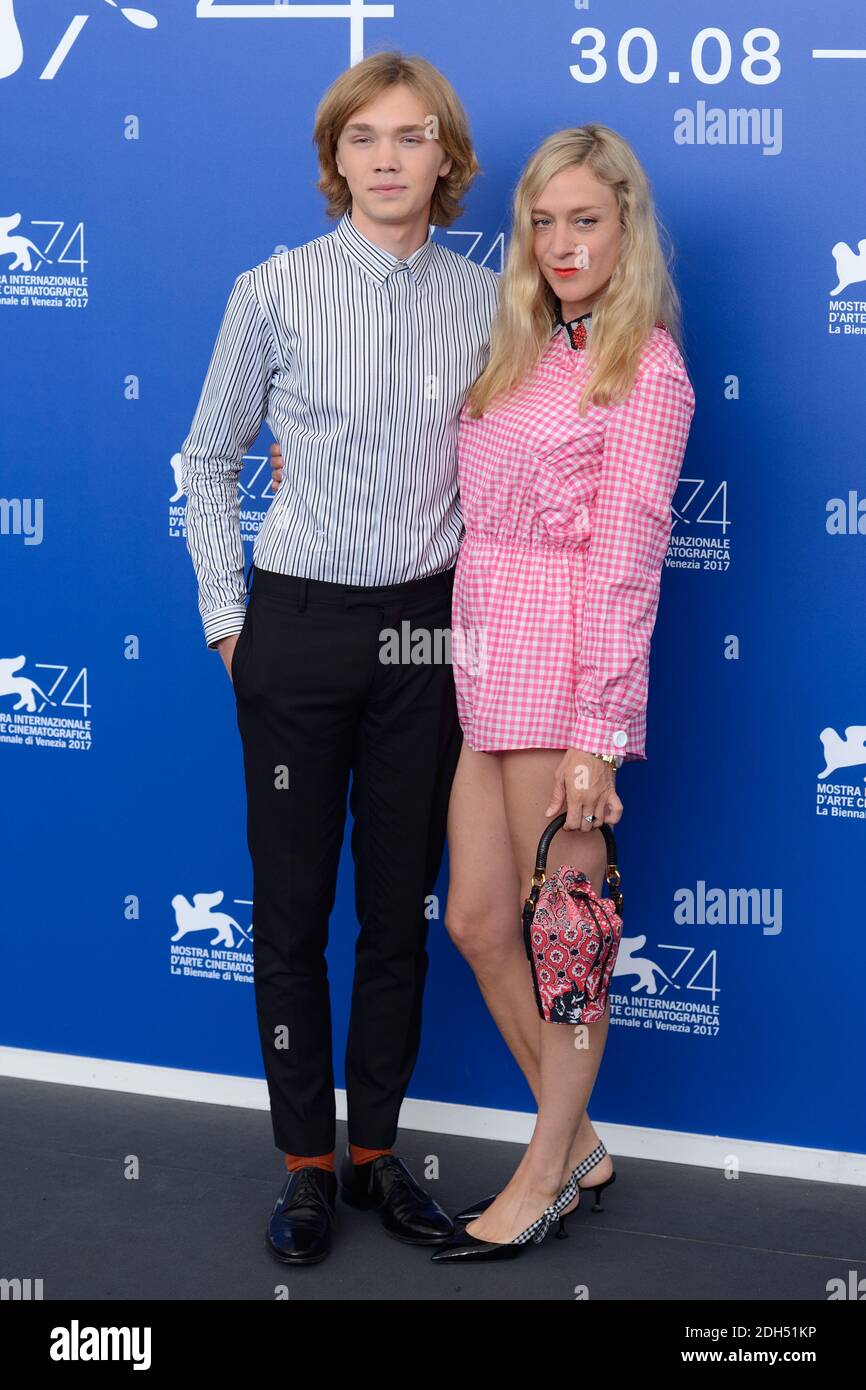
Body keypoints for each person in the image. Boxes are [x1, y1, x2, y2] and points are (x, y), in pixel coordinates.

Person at [270, 123, 696, 1263]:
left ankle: (543, 1174)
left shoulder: (642, 365)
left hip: (566, 686)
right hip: (480, 668)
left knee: (565, 948)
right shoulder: (520, 343)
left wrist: (597, 737)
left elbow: (628, 556)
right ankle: (581, 1142)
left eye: (584, 220)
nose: (561, 243)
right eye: (541, 222)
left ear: (625, 226)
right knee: (470, 919)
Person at [179, 50, 498, 1267]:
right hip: (297, 627)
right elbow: (206, 460)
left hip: (428, 629)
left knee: (394, 916)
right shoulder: (270, 290)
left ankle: (377, 1157)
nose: (384, 159)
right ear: (334, 158)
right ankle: (305, 1166)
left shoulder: (486, 301)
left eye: (410, 137)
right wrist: (228, 620)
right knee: (291, 912)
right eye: (362, 138)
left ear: (443, 159)